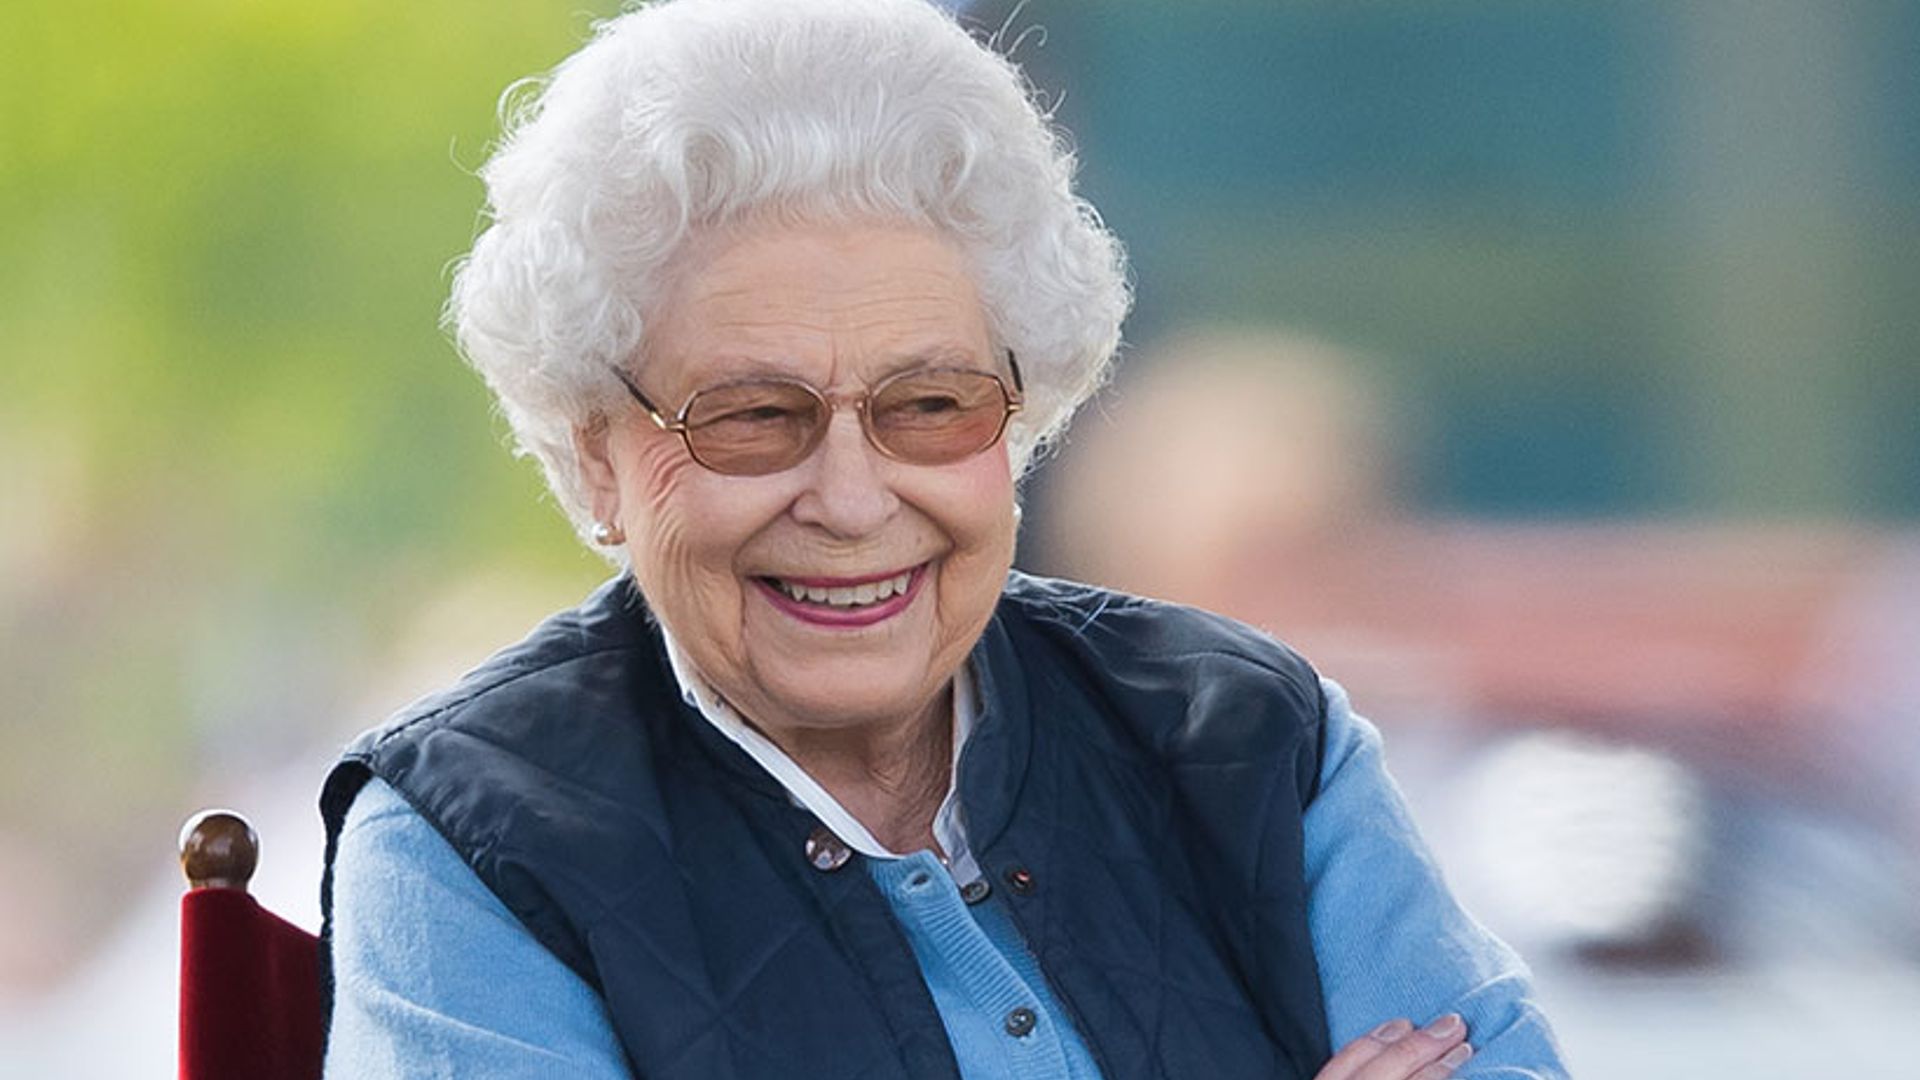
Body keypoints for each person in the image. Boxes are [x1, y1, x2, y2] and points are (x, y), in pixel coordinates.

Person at [319, 2, 1567, 1078]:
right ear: (599, 453)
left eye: (931, 406)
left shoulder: (1248, 736)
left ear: (1020, 422)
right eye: (755, 417)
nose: (855, 500)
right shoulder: (469, 849)